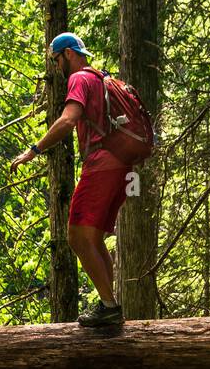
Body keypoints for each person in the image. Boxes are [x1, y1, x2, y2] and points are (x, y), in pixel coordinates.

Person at [10, 32, 128, 330]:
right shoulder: (100, 78)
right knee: (94, 239)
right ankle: (109, 305)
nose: (56, 66)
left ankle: (109, 308)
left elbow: (67, 119)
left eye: (56, 59)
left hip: (101, 165)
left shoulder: (79, 79)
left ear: (68, 54)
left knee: (76, 236)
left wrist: (33, 150)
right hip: (120, 165)